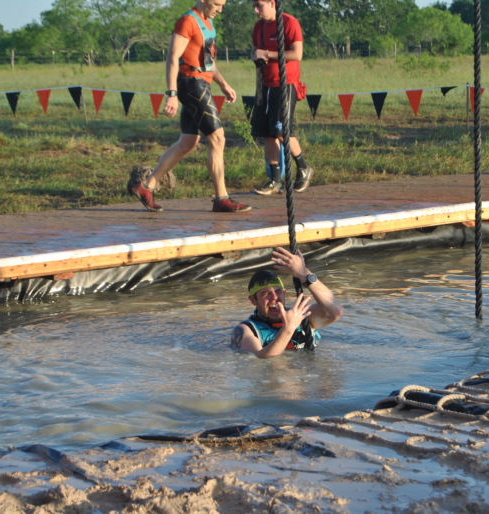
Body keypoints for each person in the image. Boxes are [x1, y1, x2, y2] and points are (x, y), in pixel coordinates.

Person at [133, 0, 251, 213]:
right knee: (218, 138)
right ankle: (221, 199)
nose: (220, 9)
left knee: (188, 142)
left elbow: (208, 60)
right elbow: (172, 57)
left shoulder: (208, 23)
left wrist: (223, 84)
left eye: (223, 5)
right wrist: (171, 94)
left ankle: (146, 186)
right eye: (217, 4)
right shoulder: (187, 21)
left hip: (202, 84)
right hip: (191, 84)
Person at [231, 247, 343, 358]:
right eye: (265, 294)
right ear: (253, 300)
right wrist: (289, 328)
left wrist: (304, 274)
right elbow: (259, 360)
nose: (274, 297)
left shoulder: (300, 315)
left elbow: (335, 311)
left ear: (284, 293)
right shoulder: (246, 330)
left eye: (278, 291)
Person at [250, 0, 313, 195]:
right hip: (263, 83)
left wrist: (267, 54)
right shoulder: (258, 27)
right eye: (253, 6)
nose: (256, 10)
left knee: (281, 131)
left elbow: (297, 54)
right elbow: (254, 50)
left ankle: (303, 167)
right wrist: (255, 56)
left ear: (272, 3)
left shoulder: (288, 22)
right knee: (267, 133)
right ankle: (275, 180)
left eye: (259, 5)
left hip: (284, 84)